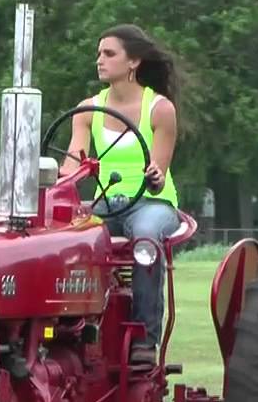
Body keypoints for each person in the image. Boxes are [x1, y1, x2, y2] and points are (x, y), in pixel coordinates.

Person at [62, 24, 185, 365]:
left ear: (133, 63)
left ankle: (145, 339)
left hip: (151, 203)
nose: (99, 60)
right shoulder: (88, 110)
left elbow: (158, 174)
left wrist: (155, 177)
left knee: (146, 238)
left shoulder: (159, 109)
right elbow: (74, 159)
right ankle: (74, 333)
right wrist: (60, 177)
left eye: (109, 54)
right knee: (66, 241)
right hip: (106, 205)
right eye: (99, 53)